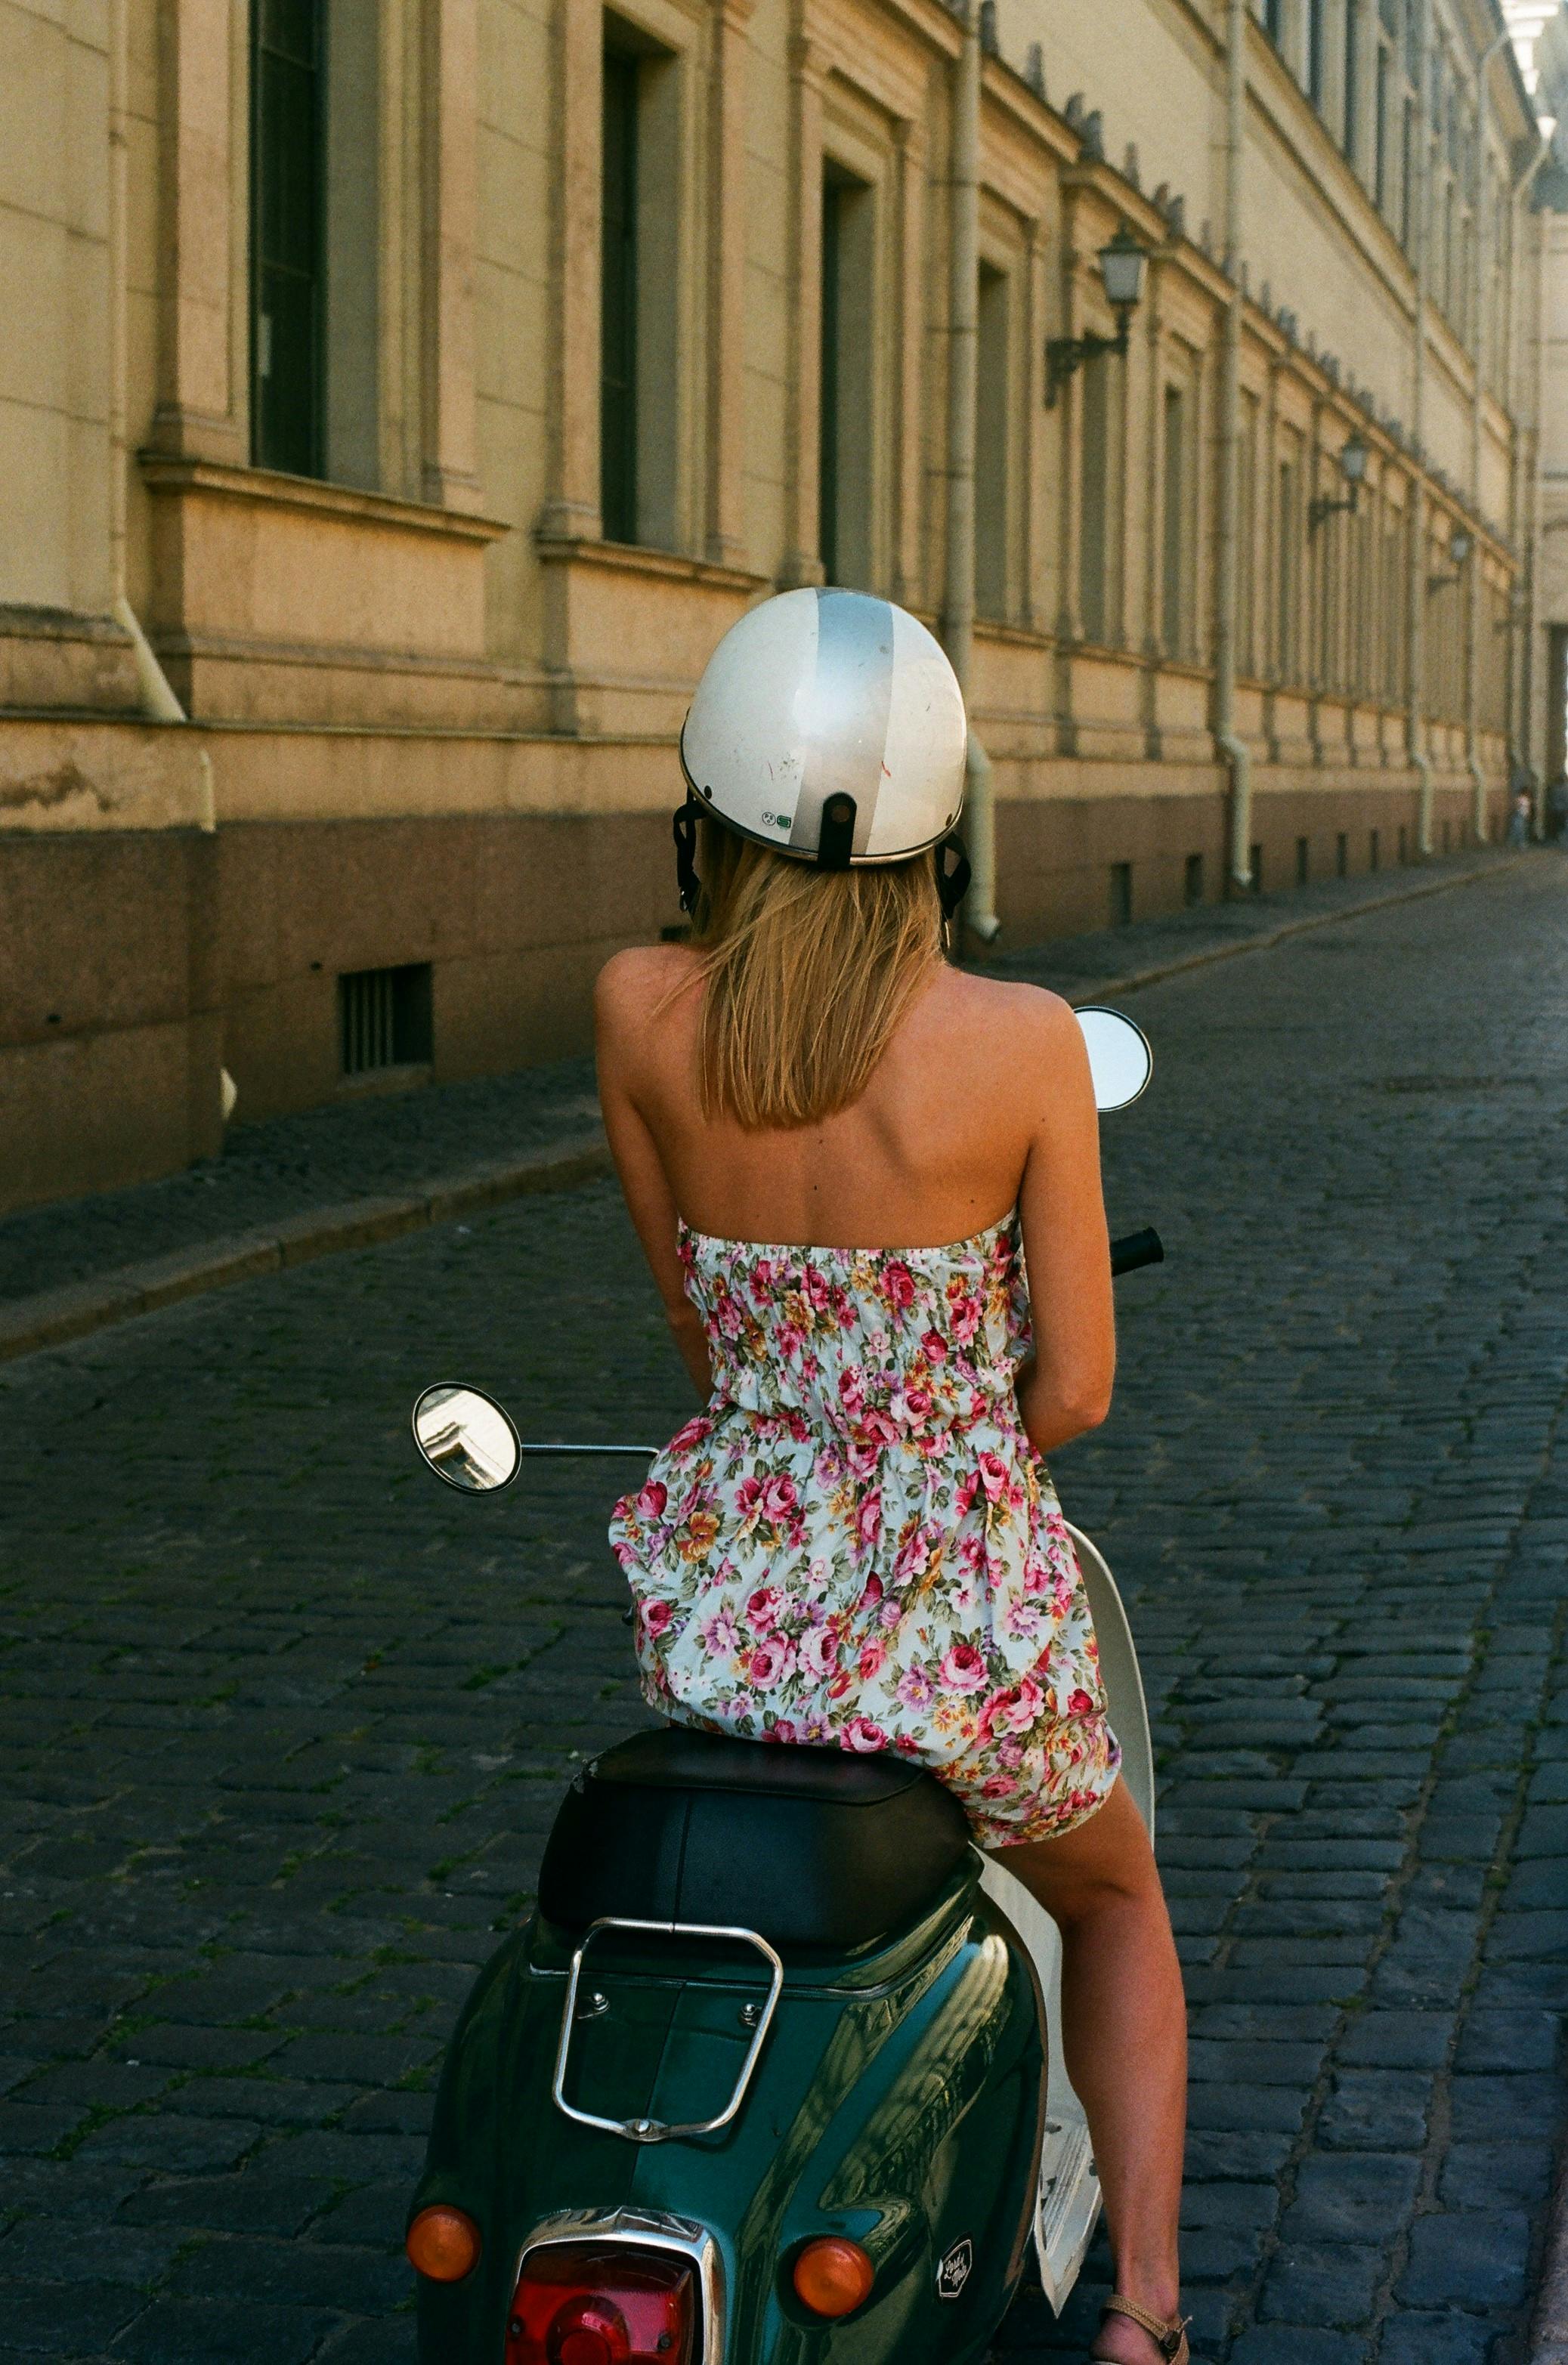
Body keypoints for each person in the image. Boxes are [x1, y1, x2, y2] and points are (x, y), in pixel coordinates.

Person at [596, 588, 1188, 2365]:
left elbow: (707, 1349)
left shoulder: (638, 1008)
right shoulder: (1017, 1043)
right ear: (944, 829)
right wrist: (936, 1420)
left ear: (706, 810)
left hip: (728, 1617)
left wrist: (808, 1414)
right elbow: (1073, 1384)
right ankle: (1145, 2315)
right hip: (953, 1634)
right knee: (1116, 1898)